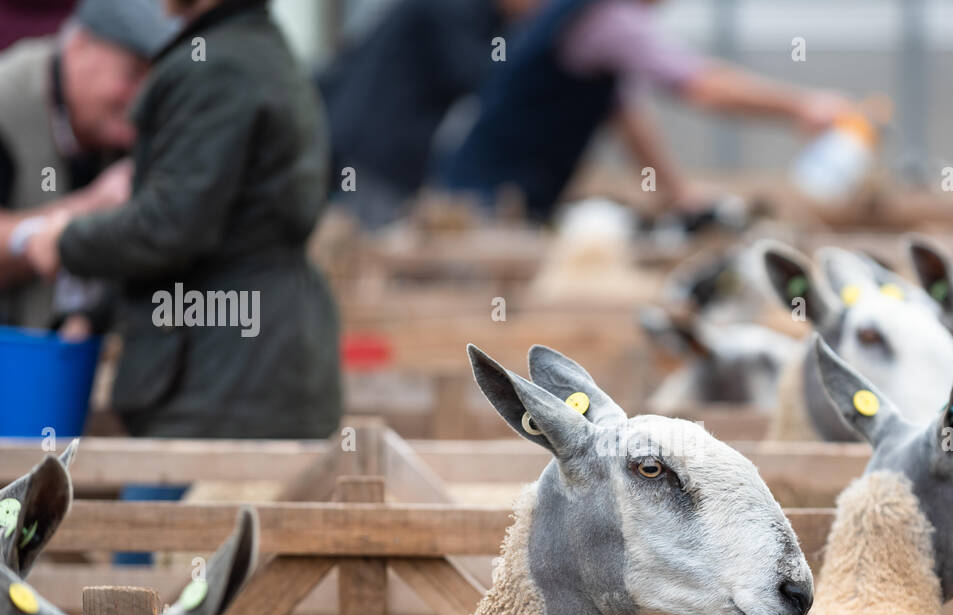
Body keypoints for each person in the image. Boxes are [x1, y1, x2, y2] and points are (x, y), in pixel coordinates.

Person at [24, 0, 341, 440]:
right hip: (255, 369)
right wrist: (95, 313)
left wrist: (64, 241)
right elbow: (213, 225)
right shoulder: (256, 51)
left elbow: (169, 227)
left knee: (163, 508)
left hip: (218, 385)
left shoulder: (213, 67)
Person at [439, 0, 866, 221]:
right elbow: (703, 86)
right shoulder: (608, 19)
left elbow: (627, 115)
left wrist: (677, 193)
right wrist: (803, 106)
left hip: (494, 196)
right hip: (488, 204)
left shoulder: (588, 18)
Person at [0, 0, 172, 334]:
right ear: (80, 46)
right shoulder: (8, 104)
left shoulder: (139, 130)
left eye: (157, 84)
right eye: (133, 74)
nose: (143, 101)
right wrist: (93, 207)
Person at [319, 0, 541, 228]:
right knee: (367, 238)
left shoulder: (475, 17)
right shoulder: (458, 10)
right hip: (376, 148)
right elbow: (480, 74)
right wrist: (528, 42)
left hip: (372, 141)